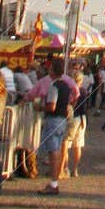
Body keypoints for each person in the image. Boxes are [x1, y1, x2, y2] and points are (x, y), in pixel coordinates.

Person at [38, 57, 78, 196]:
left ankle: (54, 182)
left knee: (53, 151)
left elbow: (51, 106)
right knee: (58, 150)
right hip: (62, 120)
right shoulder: (66, 86)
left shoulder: (54, 87)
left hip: (54, 120)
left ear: (52, 71)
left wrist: (40, 107)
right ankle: (55, 179)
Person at [62, 62, 89, 180]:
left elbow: (70, 105)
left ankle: (65, 168)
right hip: (82, 119)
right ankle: (75, 169)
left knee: (66, 144)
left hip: (73, 117)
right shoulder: (84, 91)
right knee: (78, 145)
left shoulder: (71, 90)